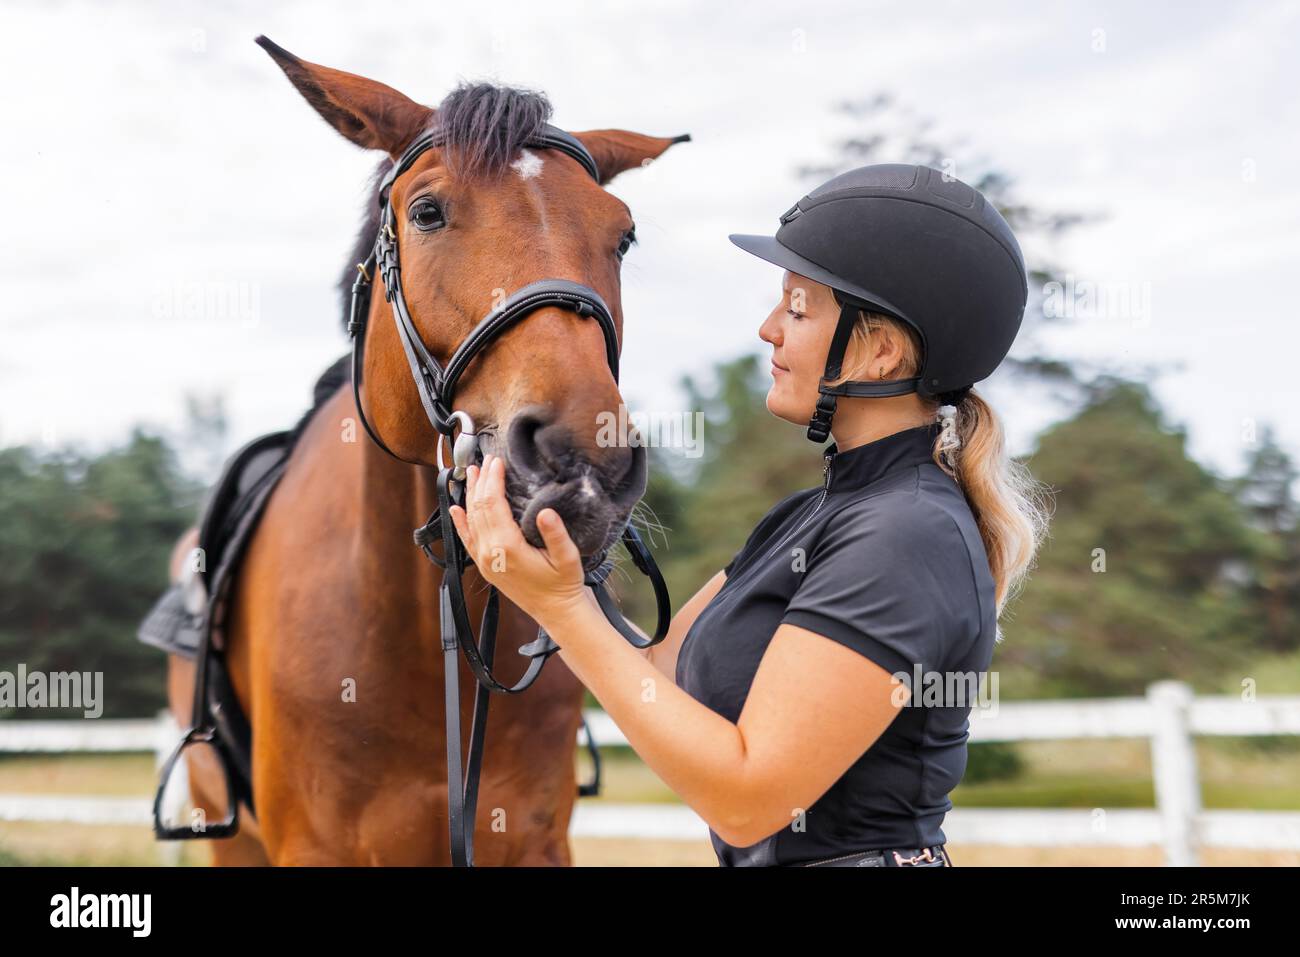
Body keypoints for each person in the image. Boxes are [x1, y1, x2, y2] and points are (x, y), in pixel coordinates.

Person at [451, 163, 1050, 867]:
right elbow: (657, 673)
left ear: (882, 351)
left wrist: (559, 608)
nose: (768, 328)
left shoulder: (905, 533)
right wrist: (551, 534)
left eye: (798, 309)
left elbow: (749, 799)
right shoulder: (811, 515)